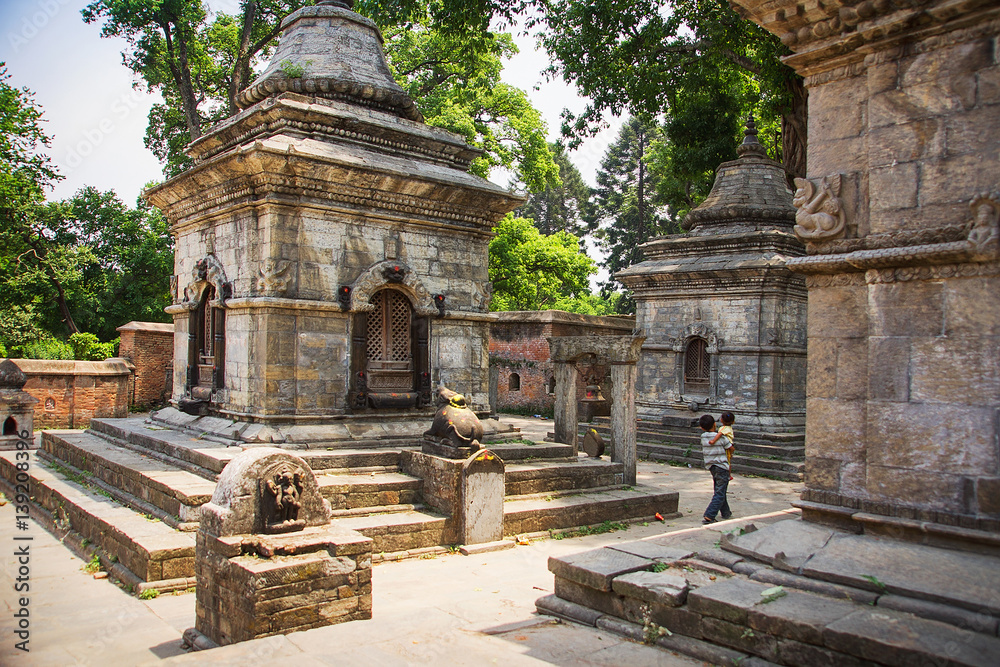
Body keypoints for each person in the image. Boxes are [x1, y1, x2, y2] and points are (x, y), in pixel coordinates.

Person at [699, 414, 733, 524]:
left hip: (711, 466)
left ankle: (726, 512)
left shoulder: (703, 437)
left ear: (702, 428)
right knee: (720, 492)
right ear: (715, 424)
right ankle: (710, 514)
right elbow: (730, 448)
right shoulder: (722, 438)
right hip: (721, 466)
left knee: (719, 489)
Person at [709, 412, 736, 480]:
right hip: (728, 445)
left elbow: (719, 434)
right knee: (728, 460)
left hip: (726, 446)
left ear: (721, 420)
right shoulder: (729, 428)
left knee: (727, 462)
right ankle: (728, 474)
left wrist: (713, 441)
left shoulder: (724, 428)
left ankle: (728, 475)